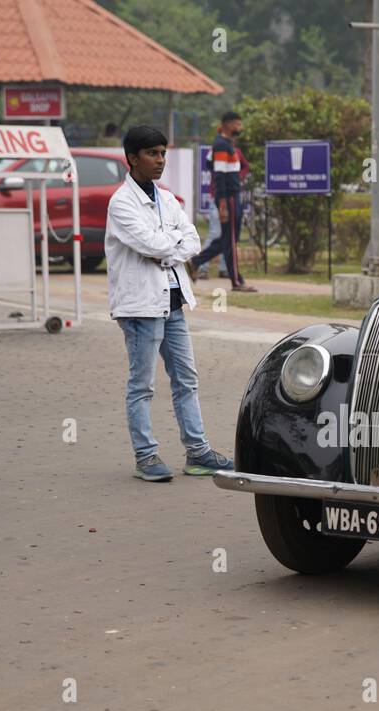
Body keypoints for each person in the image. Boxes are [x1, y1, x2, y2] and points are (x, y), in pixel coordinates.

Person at [106, 124, 234, 481]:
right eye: (152, 154)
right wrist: (170, 249)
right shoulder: (121, 203)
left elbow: (191, 238)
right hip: (140, 307)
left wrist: (168, 248)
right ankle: (146, 456)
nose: (160, 160)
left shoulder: (164, 196)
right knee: (142, 385)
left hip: (173, 301)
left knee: (186, 380)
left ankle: (198, 453)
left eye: (163, 153)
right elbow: (153, 245)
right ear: (132, 159)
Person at [190, 111, 257, 292]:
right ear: (227, 125)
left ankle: (195, 262)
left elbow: (211, 164)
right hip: (228, 199)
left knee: (228, 240)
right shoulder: (221, 145)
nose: (239, 128)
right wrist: (223, 204)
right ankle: (236, 281)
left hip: (232, 197)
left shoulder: (225, 145)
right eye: (237, 124)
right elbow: (219, 177)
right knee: (229, 240)